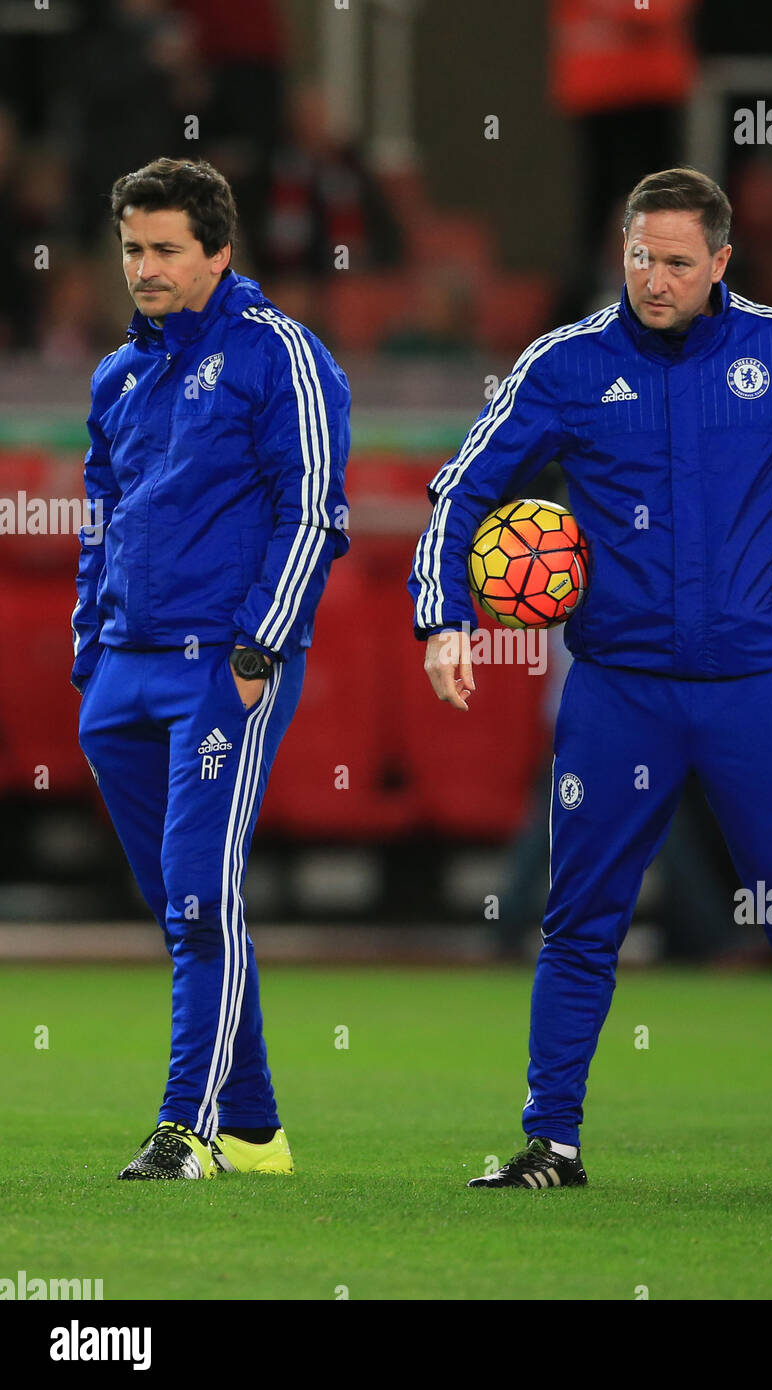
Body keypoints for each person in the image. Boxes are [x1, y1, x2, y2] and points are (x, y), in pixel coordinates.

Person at [409, 167, 772, 1195]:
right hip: (620, 689)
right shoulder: (565, 365)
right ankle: (551, 1143)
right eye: (637, 257)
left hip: (759, 686)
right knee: (583, 917)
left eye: (674, 262)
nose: (652, 281)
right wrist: (443, 617)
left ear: (719, 261)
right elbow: (462, 487)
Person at [73, 157, 350, 1180]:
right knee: (194, 909)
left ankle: (183, 1128)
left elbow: (313, 508)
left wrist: (257, 647)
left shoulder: (283, 354)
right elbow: (102, 519)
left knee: (196, 900)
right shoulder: (118, 374)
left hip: (218, 668)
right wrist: (86, 651)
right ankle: (258, 1129)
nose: (143, 268)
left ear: (218, 251)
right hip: (122, 679)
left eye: (164, 249)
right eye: (132, 248)